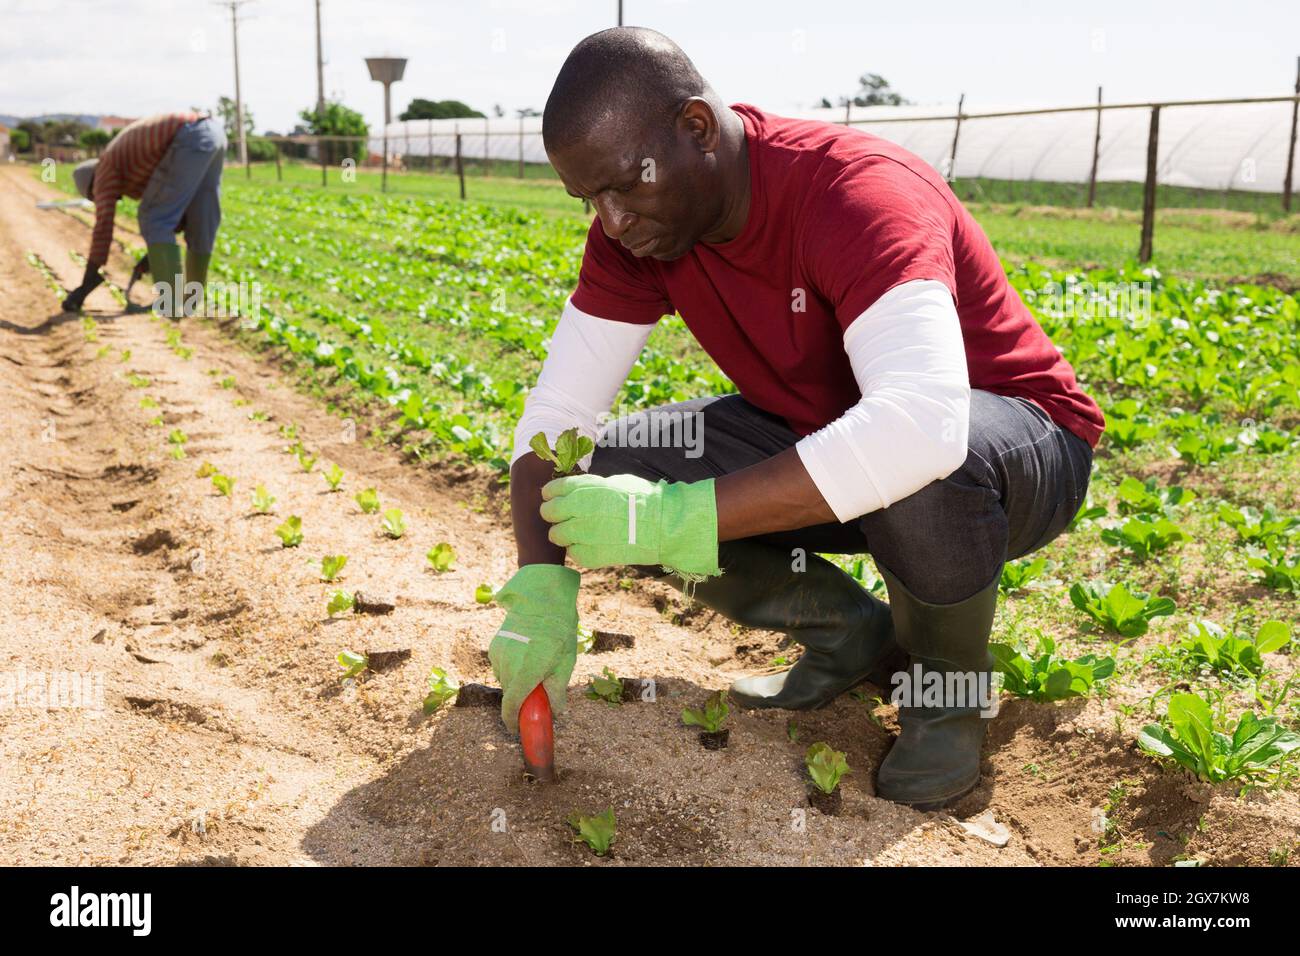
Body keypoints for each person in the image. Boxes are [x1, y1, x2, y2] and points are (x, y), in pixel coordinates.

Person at [492, 27, 1104, 810]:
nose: (611, 221)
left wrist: (679, 520)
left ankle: (945, 698)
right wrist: (542, 582)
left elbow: (921, 423)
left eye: (625, 187)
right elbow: (562, 413)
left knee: (921, 465)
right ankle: (844, 631)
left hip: (1013, 449)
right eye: (590, 200)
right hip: (824, 435)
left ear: (698, 129)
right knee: (607, 472)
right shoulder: (637, 234)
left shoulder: (855, 193)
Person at [64, 112, 226, 316]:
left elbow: (104, 227)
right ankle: (190, 302)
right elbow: (175, 207)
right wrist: (155, 253)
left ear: (92, 185)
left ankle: (172, 302)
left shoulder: (105, 170)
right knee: (201, 220)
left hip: (188, 137)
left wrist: (85, 285)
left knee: (152, 217)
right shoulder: (126, 164)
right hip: (212, 133)